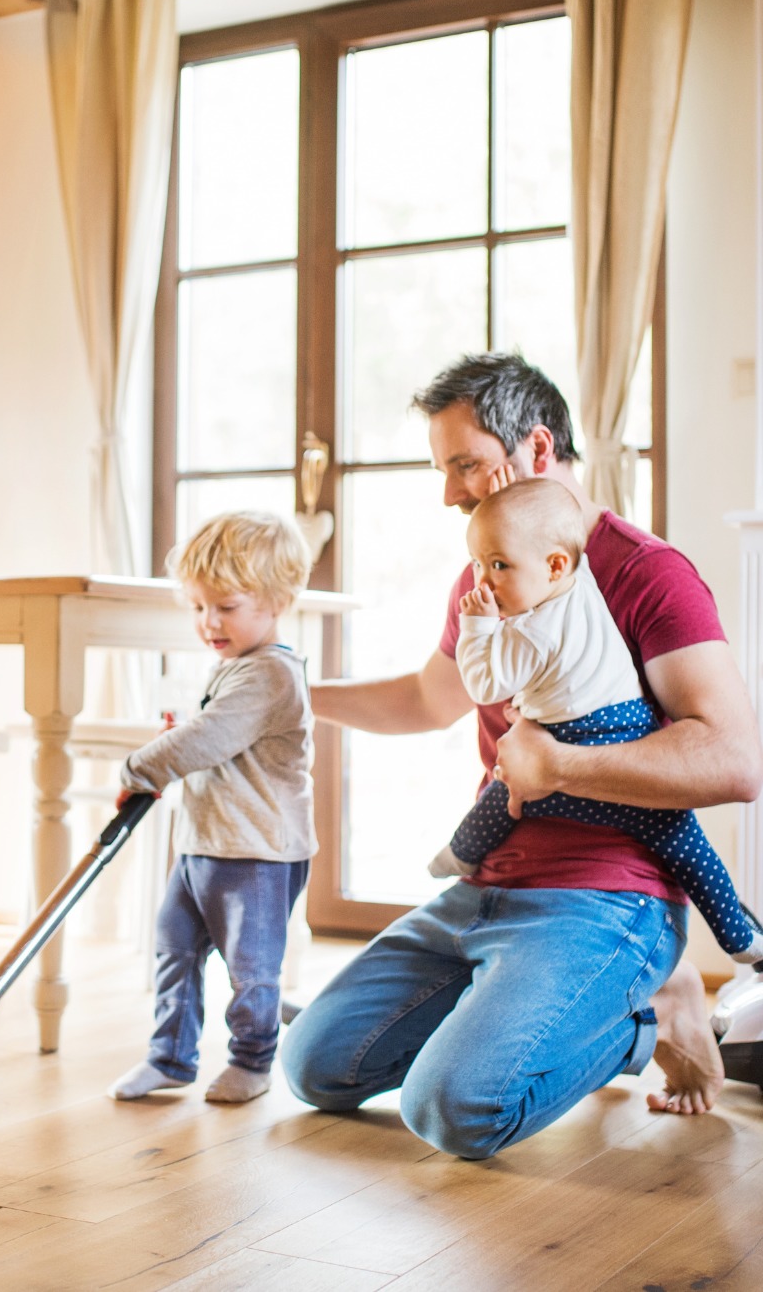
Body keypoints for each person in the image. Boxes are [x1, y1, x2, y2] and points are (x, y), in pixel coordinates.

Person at [281, 351, 763, 1158]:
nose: (448, 493)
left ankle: (647, 1014)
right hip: (487, 886)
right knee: (315, 1069)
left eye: (464, 465)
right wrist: (291, 692)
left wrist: (563, 768)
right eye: (443, 471)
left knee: (454, 1110)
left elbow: (733, 762)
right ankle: (531, 1005)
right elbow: (425, 701)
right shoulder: (487, 576)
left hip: (607, 896)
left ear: (538, 451)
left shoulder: (648, 574)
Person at [427, 476, 763, 964]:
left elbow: (484, 685)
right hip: (628, 723)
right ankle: (741, 937)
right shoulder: (578, 579)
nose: (481, 582)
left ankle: (460, 853)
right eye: (478, 563)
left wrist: (478, 627)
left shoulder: (534, 632)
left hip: (572, 739)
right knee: (686, 847)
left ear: (554, 564)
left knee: (505, 797)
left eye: (497, 565)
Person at [108, 510, 316, 1105]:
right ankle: (170, 1057)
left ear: (278, 600)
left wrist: (138, 767)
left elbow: (205, 740)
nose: (208, 622)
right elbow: (206, 736)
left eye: (225, 606)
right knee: (174, 943)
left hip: (256, 852)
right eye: (198, 607)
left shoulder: (272, 674)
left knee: (250, 967)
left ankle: (252, 1061)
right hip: (203, 841)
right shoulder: (235, 666)